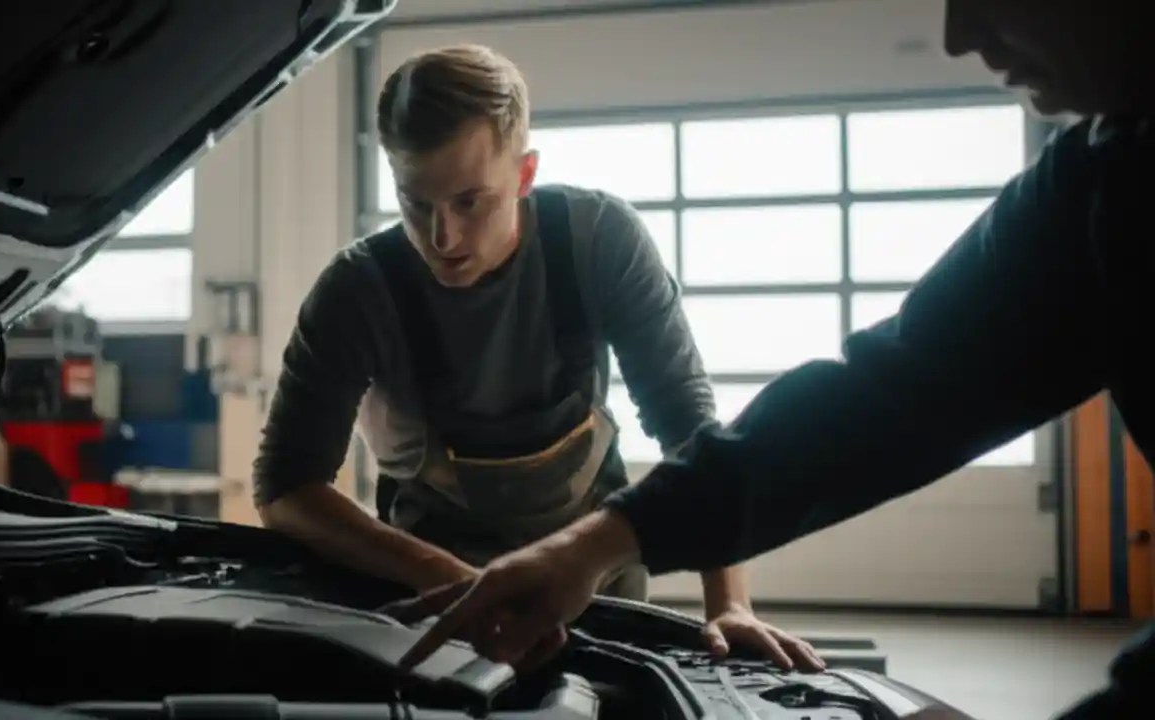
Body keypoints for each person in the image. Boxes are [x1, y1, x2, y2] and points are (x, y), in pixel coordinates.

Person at [396, 2, 1155, 716]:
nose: (959, 36)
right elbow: (888, 394)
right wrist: (592, 546)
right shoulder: (1097, 177)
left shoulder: (595, 237)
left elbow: (689, 411)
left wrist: (722, 598)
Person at [252, 44, 822, 671]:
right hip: (435, 610)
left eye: (471, 201)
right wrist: (446, 578)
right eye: (417, 203)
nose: (442, 238)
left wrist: (729, 604)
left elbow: (691, 427)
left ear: (524, 176)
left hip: (596, 594)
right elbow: (286, 487)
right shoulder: (357, 290)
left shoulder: (599, 242)